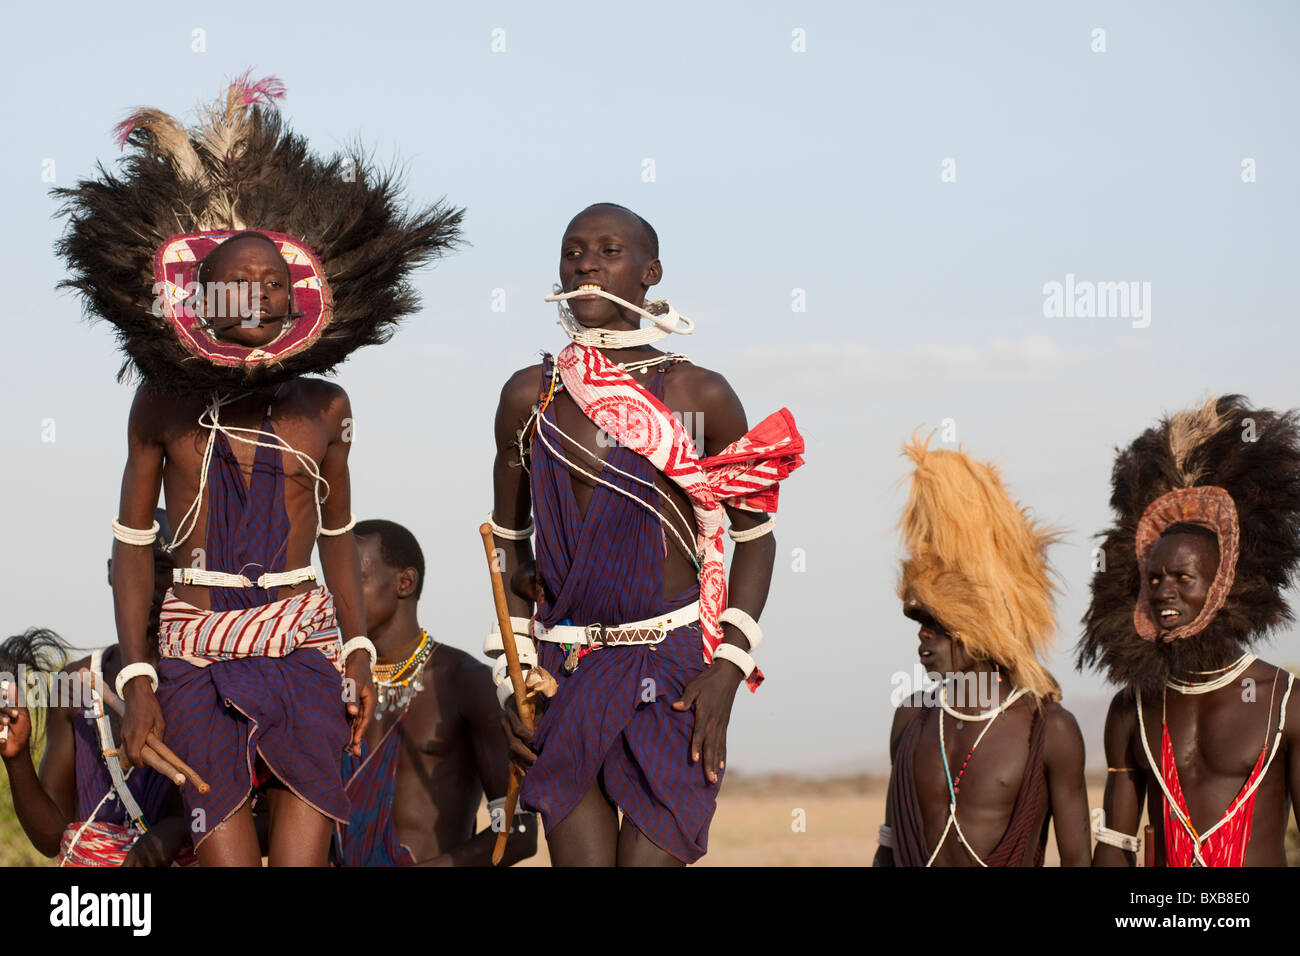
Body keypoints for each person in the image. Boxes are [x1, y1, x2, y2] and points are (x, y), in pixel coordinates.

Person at [52, 73, 463, 866]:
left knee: (307, 853)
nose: (264, 294)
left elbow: (337, 533)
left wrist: (355, 651)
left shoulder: (325, 408)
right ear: (201, 302)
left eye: (278, 283)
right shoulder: (163, 406)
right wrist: (138, 676)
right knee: (225, 855)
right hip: (194, 649)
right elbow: (134, 540)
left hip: (301, 646)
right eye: (244, 281)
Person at [487, 203, 804, 865]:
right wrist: (508, 679)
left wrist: (728, 670)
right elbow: (511, 542)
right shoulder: (531, 396)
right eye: (575, 251)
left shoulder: (699, 392)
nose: (588, 263)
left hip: (678, 668)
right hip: (565, 670)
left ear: (650, 273)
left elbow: (756, 537)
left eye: (609, 251)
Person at [1079, 395, 1300, 866]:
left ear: (1221, 583)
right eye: (1154, 579)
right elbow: (1116, 845)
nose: (1163, 593)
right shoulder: (1133, 708)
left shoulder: (1285, 703)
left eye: (1183, 578)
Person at [875, 437, 1091, 866]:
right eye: (920, 623)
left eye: (937, 623)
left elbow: (1077, 861)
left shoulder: (1049, 730)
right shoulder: (912, 719)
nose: (924, 637)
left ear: (980, 627)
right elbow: (888, 848)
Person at [333, 519, 537, 866]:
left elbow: (516, 832)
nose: (341, 595)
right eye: (337, 583)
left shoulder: (463, 682)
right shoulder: (329, 689)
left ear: (404, 582)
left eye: (356, 580)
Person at [0, 513, 193, 866]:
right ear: (111, 572)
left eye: (162, 568)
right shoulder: (76, 683)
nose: (147, 582)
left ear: (182, 576)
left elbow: (255, 819)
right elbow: (51, 838)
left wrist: (178, 831)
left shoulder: (199, 683)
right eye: (134, 567)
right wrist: (17, 757)